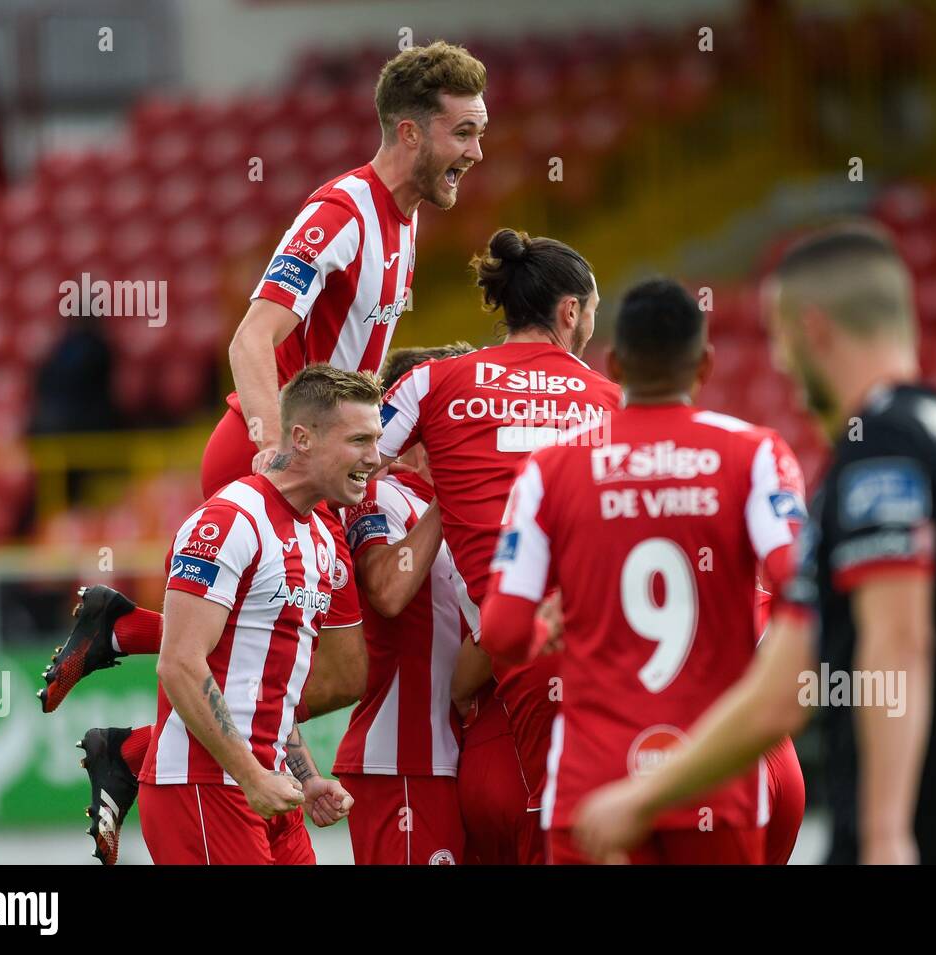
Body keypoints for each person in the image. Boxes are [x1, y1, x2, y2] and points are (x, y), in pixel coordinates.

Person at [37, 41, 488, 863]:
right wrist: (279, 459)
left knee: (341, 667)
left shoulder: (408, 222)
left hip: (321, 463)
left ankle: (128, 691)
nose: (477, 153)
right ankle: (138, 707)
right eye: (464, 132)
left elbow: (350, 356)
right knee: (250, 657)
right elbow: (253, 338)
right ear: (412, 133)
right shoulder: (342, 212)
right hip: (270, 462)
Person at [573, 223, 936, 865]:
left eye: (780, 339)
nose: (781, 364)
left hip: (910, 838)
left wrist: (883, 836)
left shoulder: (878, 449)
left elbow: (877, 654)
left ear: (813, 330)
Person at [480, 278, 806, 864]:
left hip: (593, 784)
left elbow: (501, 631)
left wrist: (541, 633)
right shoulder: (756, 453)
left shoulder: (550, 468)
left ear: (614, 363)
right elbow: (802, 588)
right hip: (715, 779)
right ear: (704, 365)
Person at [378, 228, 622, 862]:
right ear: (571, 311)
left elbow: (345, 459)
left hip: (514, 642)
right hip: (609, 634)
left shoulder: (431, 382)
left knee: (556, 825)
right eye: (593, 311)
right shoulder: (612, 400)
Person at [137, 364, 383, 865]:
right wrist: (250, 777)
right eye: (359, 440)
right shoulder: (229, 520)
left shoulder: (317, 534)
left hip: (271, 785)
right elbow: (179, 663)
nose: (374, 459)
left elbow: (269, 684)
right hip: (205, 788)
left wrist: (306, 775)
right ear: (302, 438)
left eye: (375, 440)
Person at [332, 342, 477, 865]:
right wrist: (452, 496)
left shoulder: (459, 505)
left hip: (456, 759)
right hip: (403, 762)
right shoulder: (381, 495)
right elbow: (388, 592)